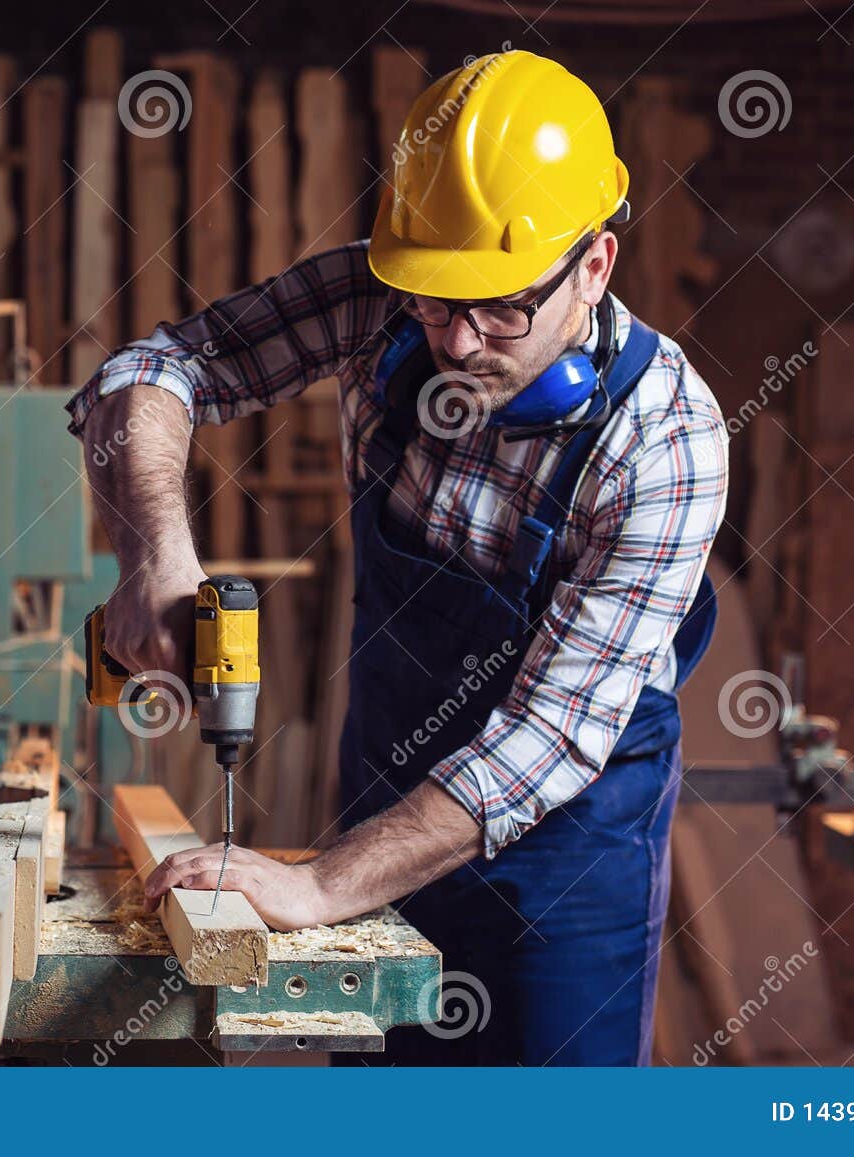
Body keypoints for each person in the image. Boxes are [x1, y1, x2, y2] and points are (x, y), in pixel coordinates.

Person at [68, 50, 729, 1065]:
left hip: (564, 852)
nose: (459, 341)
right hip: (391, 789)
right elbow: (151, 370)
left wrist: (326, 881)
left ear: (593, 265)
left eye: (502, 306)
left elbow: (546, 739)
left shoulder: (665, 439)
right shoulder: (384, 302)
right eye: (434, 301)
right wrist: (155, 554)